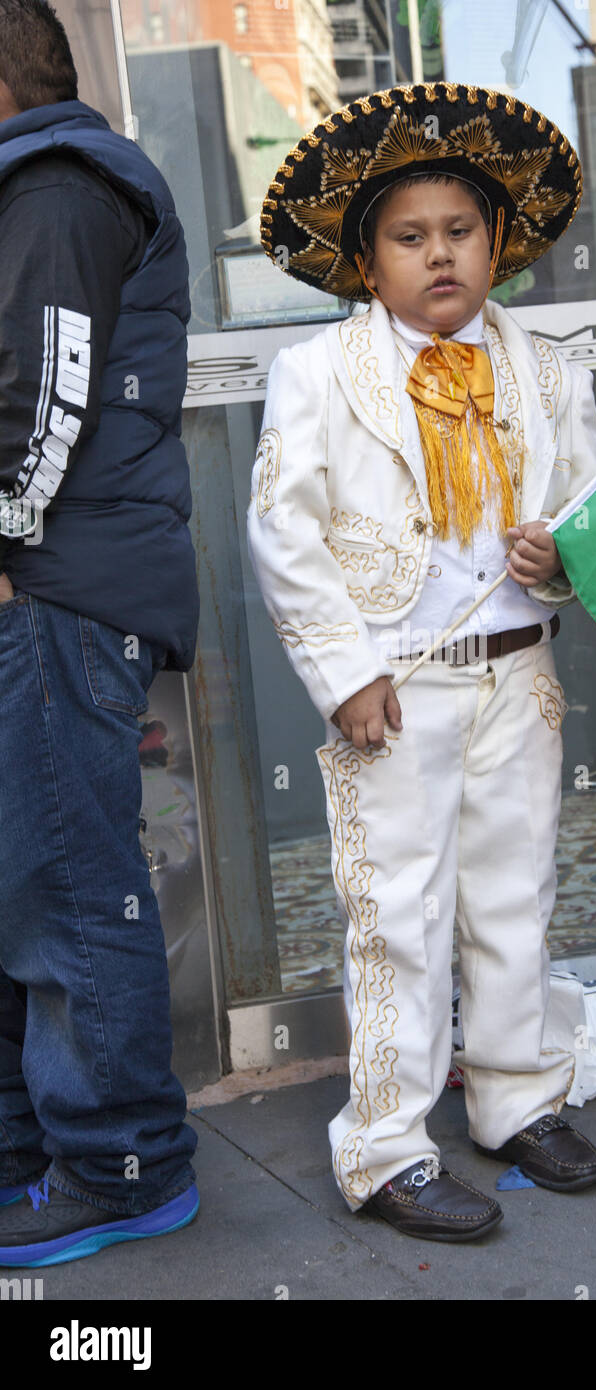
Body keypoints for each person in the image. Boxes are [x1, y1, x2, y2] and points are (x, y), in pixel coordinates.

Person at [248, 82, 596, 1241]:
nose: (439, 255)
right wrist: (346, 673)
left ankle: (514, 1097)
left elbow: (592, 507)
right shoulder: (316, 375)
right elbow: (282, 531)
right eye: (410, 237)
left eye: (460, 232)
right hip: (394, 690)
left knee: (515, 894)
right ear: (367, 262)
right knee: (393, 913)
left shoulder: (550, 371)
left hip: (518, 672)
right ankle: (385, 1147)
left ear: (496, 244)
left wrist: (558, 557)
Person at [0, 0, 200, 1266]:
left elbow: (43, 390)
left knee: (73, 887)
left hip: (56, 592)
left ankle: (124, 1163)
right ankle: (35, 1155)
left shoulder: (60, 181)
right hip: (42, 586)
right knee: (27, 886)